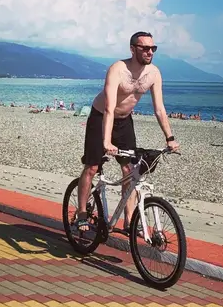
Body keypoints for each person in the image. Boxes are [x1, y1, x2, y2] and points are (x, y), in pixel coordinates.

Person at [77, 31, 180, 233]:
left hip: (124, 121)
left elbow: (159, 109)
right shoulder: (117, 69)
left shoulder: (154, 73)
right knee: (92, 167)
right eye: (145, 48)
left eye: (153, 48)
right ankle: (81, 212)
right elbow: (109, 108)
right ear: (133, 49)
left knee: (131, 171)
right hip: (101, 117)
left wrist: (170, 138)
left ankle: (129, 221)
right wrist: (106, 141)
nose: (150, 52)